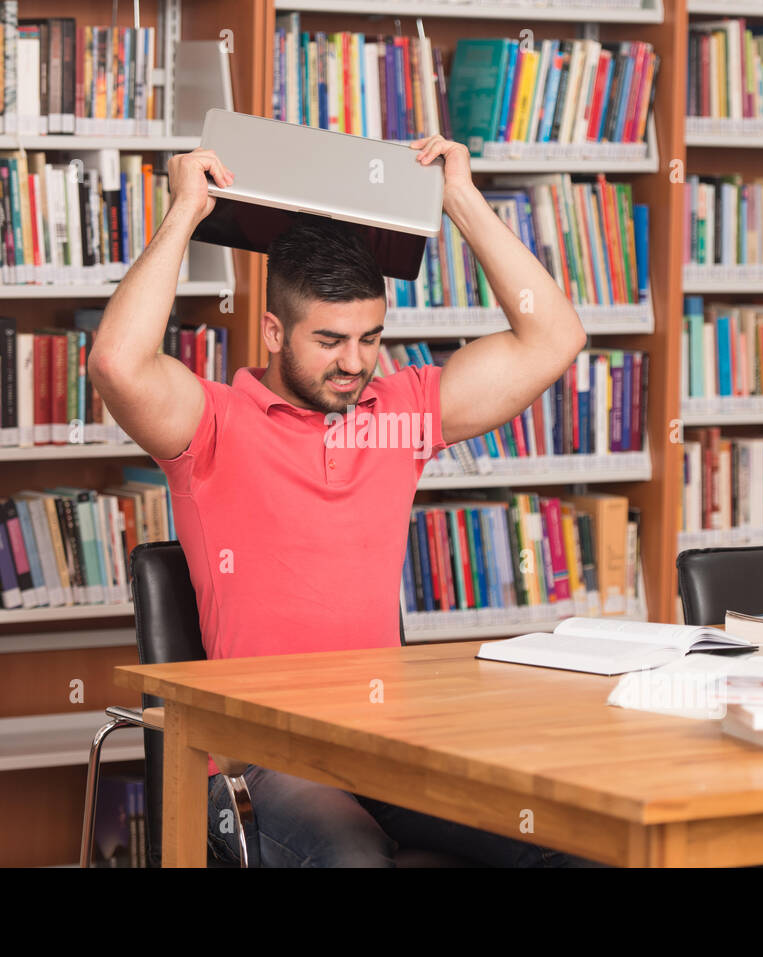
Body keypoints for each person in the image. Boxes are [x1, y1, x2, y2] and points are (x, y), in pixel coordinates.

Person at [89, 133, 597, 866]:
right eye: (330, 340)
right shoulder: (210, 424)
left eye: (370, 338)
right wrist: (185, 213)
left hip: (388, 738)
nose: (355, 363)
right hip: (266, 754)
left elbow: (555, 337)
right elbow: (116, 360)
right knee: (354, 859)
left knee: (567, 836)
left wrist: (459, 199)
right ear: (272, 330)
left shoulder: (402, 410)